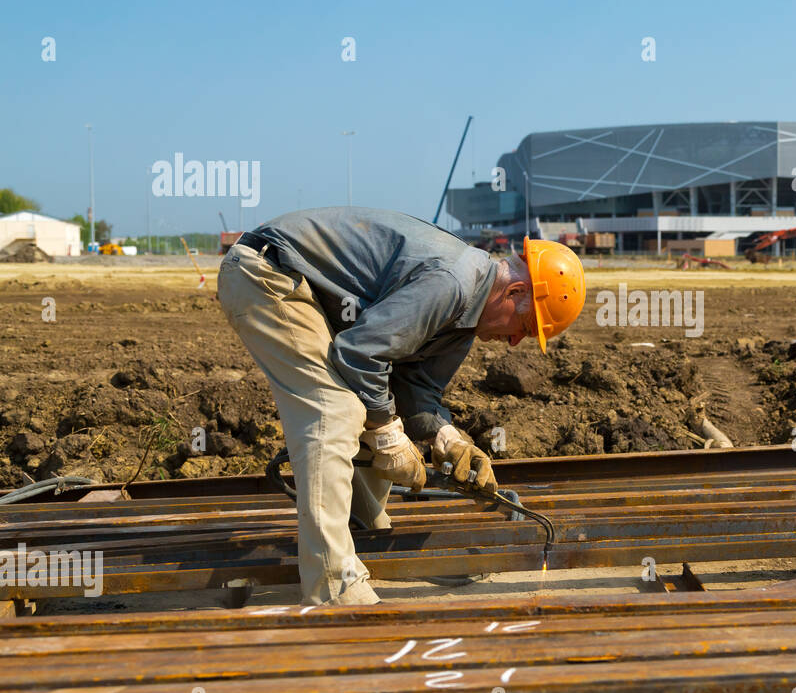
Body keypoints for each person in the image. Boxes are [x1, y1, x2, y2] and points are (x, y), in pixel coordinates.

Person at [217, 207, 586, 605]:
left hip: (303, 287)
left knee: (369, 407)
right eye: (525, 329)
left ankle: (364, 534)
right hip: (270, 274)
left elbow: (416, 388)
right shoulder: (453, 284)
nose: (515, 342)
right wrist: (388, 434)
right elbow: (360, 354)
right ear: (514, 293)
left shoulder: (468, 313)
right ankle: (335, 588)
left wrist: (447, 438)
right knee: (335, 410)